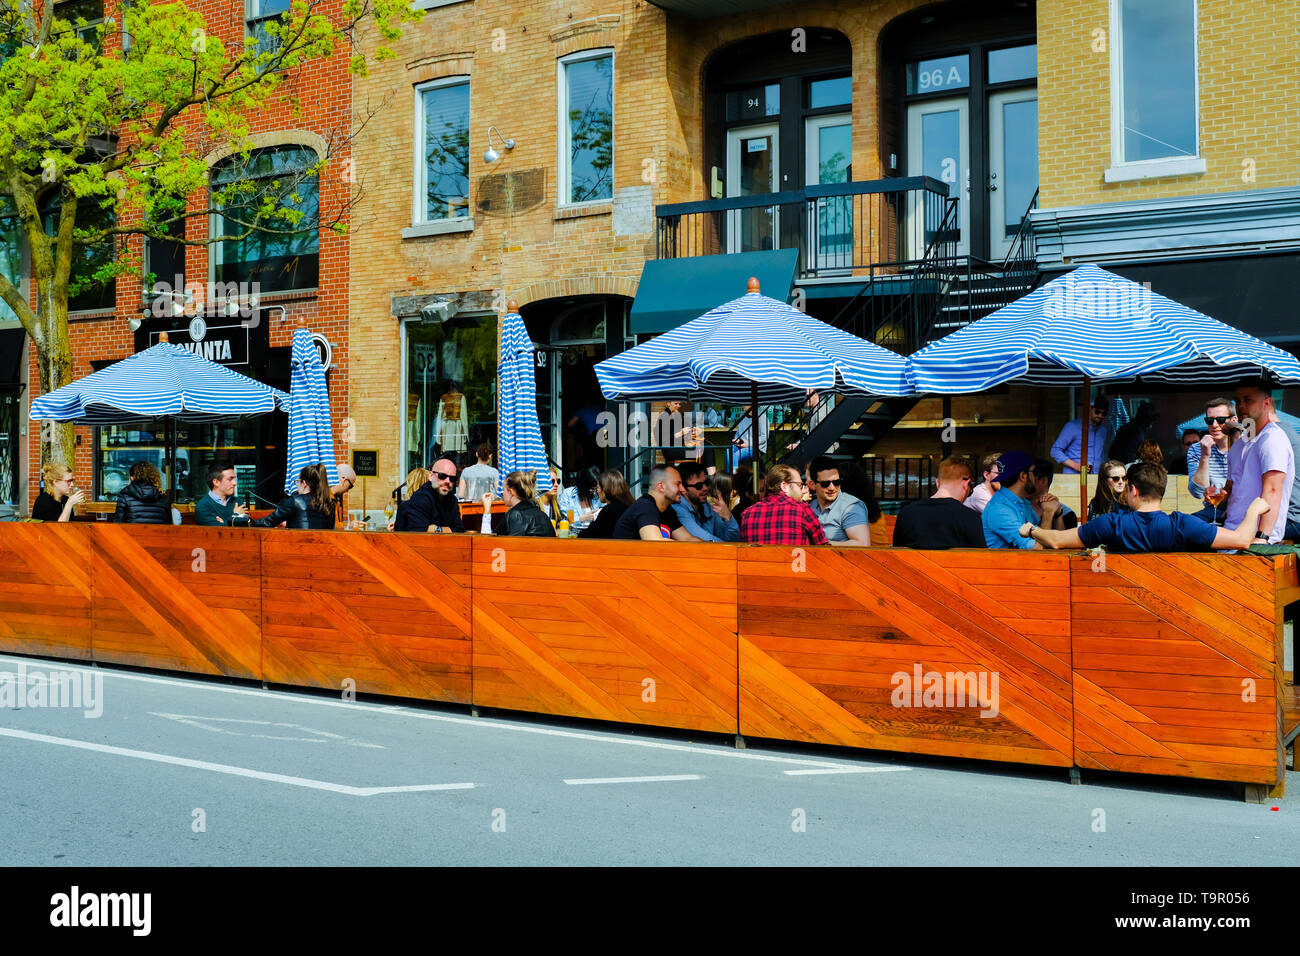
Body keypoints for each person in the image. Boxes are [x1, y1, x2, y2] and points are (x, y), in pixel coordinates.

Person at [1024, 462, 1270, 553]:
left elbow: (1055, 540)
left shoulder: (1112, 523)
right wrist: (1254, 510)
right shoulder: (1182, 524)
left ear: (1133, 490)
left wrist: (1031, 529)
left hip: (1122, 604)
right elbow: (1241, 540)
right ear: (1161, 491)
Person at [1221, 381, 1295, 545]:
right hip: (1231, 534)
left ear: (1266, 403)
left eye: (1248, 400)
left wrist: (1262, 538)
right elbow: (1232, 487)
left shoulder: (1272, 439)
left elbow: (1273, 489)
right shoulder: (1239, 444)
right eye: (1238, 401)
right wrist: (1218, 495)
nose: (1241, 406)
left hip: (1253, 539)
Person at [892, 457, 985, 549]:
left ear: (937, 483)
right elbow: (982, 558)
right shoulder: (970, 516)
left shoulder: (906, 513)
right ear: (966, 484)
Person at [982, 450, 1057, 549]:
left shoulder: (1022, 502)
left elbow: (1049, 536)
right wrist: (1048, 512)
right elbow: (1038, 549)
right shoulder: (1000, 509)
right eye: (1034, 472)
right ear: (1023, 476)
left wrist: (1058, 513)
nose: (1036, 478)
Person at [740, 465, 829, 546]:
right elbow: (822, 546)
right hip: (793, 563)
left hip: (757, 563)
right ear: (784, 486)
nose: (802, 490)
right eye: (799, 485)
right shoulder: (802, 509)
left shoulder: (747, 513)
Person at [612, 465, 700, 541]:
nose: (683, 490)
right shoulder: (645, 506)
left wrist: (712, 546)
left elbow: (687, 539)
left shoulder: (667, 511)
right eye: (678, 484)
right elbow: (655, 543)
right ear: (661, 486)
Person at [806, 456, 870, 546]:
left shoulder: (851, 507)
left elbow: (863, 544)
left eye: (836, 482)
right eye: (825, 483)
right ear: (812, 485)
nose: (832, 488)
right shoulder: (810, 505)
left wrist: (824, 545)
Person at [671, 460, 739, 542]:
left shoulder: (708, 507)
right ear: (683, 488)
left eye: (706, 483)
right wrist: (728, 547)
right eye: (698, 486)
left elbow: (733, 540)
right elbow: (702, 539)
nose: (705, 488)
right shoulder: (678, 508)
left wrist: (728, 517)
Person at [253, 463, 336, 529]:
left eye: (297, 481)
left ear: (304, 483)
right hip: (323, 548)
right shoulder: (330, 504)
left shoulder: (296, 501)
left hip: (299, 547)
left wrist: (248, 521)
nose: (297, 485)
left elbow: (268, 522)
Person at [1188, 397, 1235, 506]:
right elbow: (1197, 493)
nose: (1214, 425)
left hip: (1240, 508)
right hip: (1213, 509)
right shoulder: (1197, 449)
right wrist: (1204, 456)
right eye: (1209, 420)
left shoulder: (1245, 447)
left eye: (1221, 420)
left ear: (1233, 421)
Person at [403, 457, 464, 533]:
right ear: (431, 476)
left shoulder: (452, 499)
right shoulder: (421, 497)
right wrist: (448, 530)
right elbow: (418, 532)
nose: (448, 481)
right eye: (442, 476)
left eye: (452, 478)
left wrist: (435, 529)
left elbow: (459, 530)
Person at [490, 470, 556, 537]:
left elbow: (489, 542)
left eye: (503, 490)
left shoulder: (515, 515)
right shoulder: (543, 515)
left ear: (511, 492)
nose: (503, 493)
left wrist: (487, 512)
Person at [1050, 399, 1108, 475]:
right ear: (1090, 408)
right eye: (1097, 412)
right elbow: (1055, 451)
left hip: (1096, 477)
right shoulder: (1072, 426)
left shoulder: (1103, 430)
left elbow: (1103, 455)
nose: (1100, 415)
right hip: (1074, 476)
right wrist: (1075, 465)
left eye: (1104, 414)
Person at [578, 469, 635, 539]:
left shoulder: (609, 510)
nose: (596, 491)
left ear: (605, 490)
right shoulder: (631, 506)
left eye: (598, 488)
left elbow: (590, 535)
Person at [195, 462, 251, 527]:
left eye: (234, 479)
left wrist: (224, 522)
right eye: (230, 479)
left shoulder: (238, 502)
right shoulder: (203, 506)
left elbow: (247, 527)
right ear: (216, 482)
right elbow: (218, 532)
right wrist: (236, 515)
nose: (235, 483)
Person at [1029, 458, 1076, 529]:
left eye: (1030, 479)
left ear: (1043, 481)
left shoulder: (1067, 514)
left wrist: (1057, 514)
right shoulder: (1018, 507)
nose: (1025, 482)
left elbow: (1061, 539)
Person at [729, 405, 768, 471]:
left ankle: (734, 476)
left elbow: (764, 437)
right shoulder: (743, 416)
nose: (743, 404)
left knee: (736, 455)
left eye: (746, 402)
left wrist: (749, 444)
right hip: (742, 445)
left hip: (756, 447)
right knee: (728, 452)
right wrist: (736, 440)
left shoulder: (762, 416)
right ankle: (728, 475)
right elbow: (738, 433)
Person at [390, 467, 430, 532]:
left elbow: (399, 534)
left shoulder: (406, 506)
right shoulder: (437, 504)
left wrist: (393, 530)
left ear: (411, 484)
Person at [332, 462, 356, 526]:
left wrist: (349, 525)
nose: (347, 490)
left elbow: (335, 525)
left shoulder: (336, 498)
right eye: (350, 486)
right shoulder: (324, 498)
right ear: (344, 479)